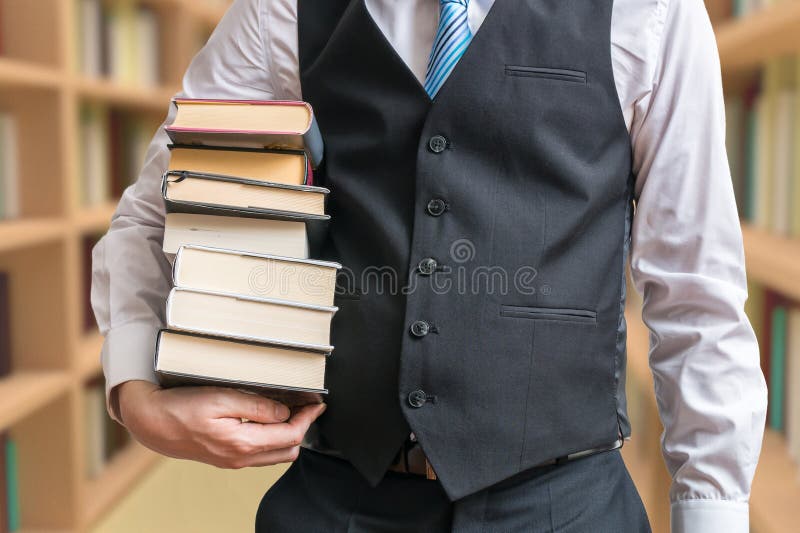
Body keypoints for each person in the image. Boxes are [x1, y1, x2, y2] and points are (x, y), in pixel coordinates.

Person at [91, 0, 768, 531]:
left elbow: (696, 291)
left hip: (566, 509)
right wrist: (136, 396)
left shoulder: (650, 10)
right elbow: (155, 211)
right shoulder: (283, 9)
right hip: (337, 502)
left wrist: (711, 511)